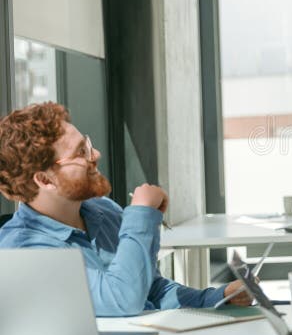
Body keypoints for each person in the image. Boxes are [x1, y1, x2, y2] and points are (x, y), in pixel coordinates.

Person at [0, 102, 252, 317]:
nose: (95, 154)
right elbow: (121, 301)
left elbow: (151, 289)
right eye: (81, 152)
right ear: (45, 180)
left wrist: (214, 299)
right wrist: (141, 213)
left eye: (87, 144)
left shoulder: (103, 211)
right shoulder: (23, 249)